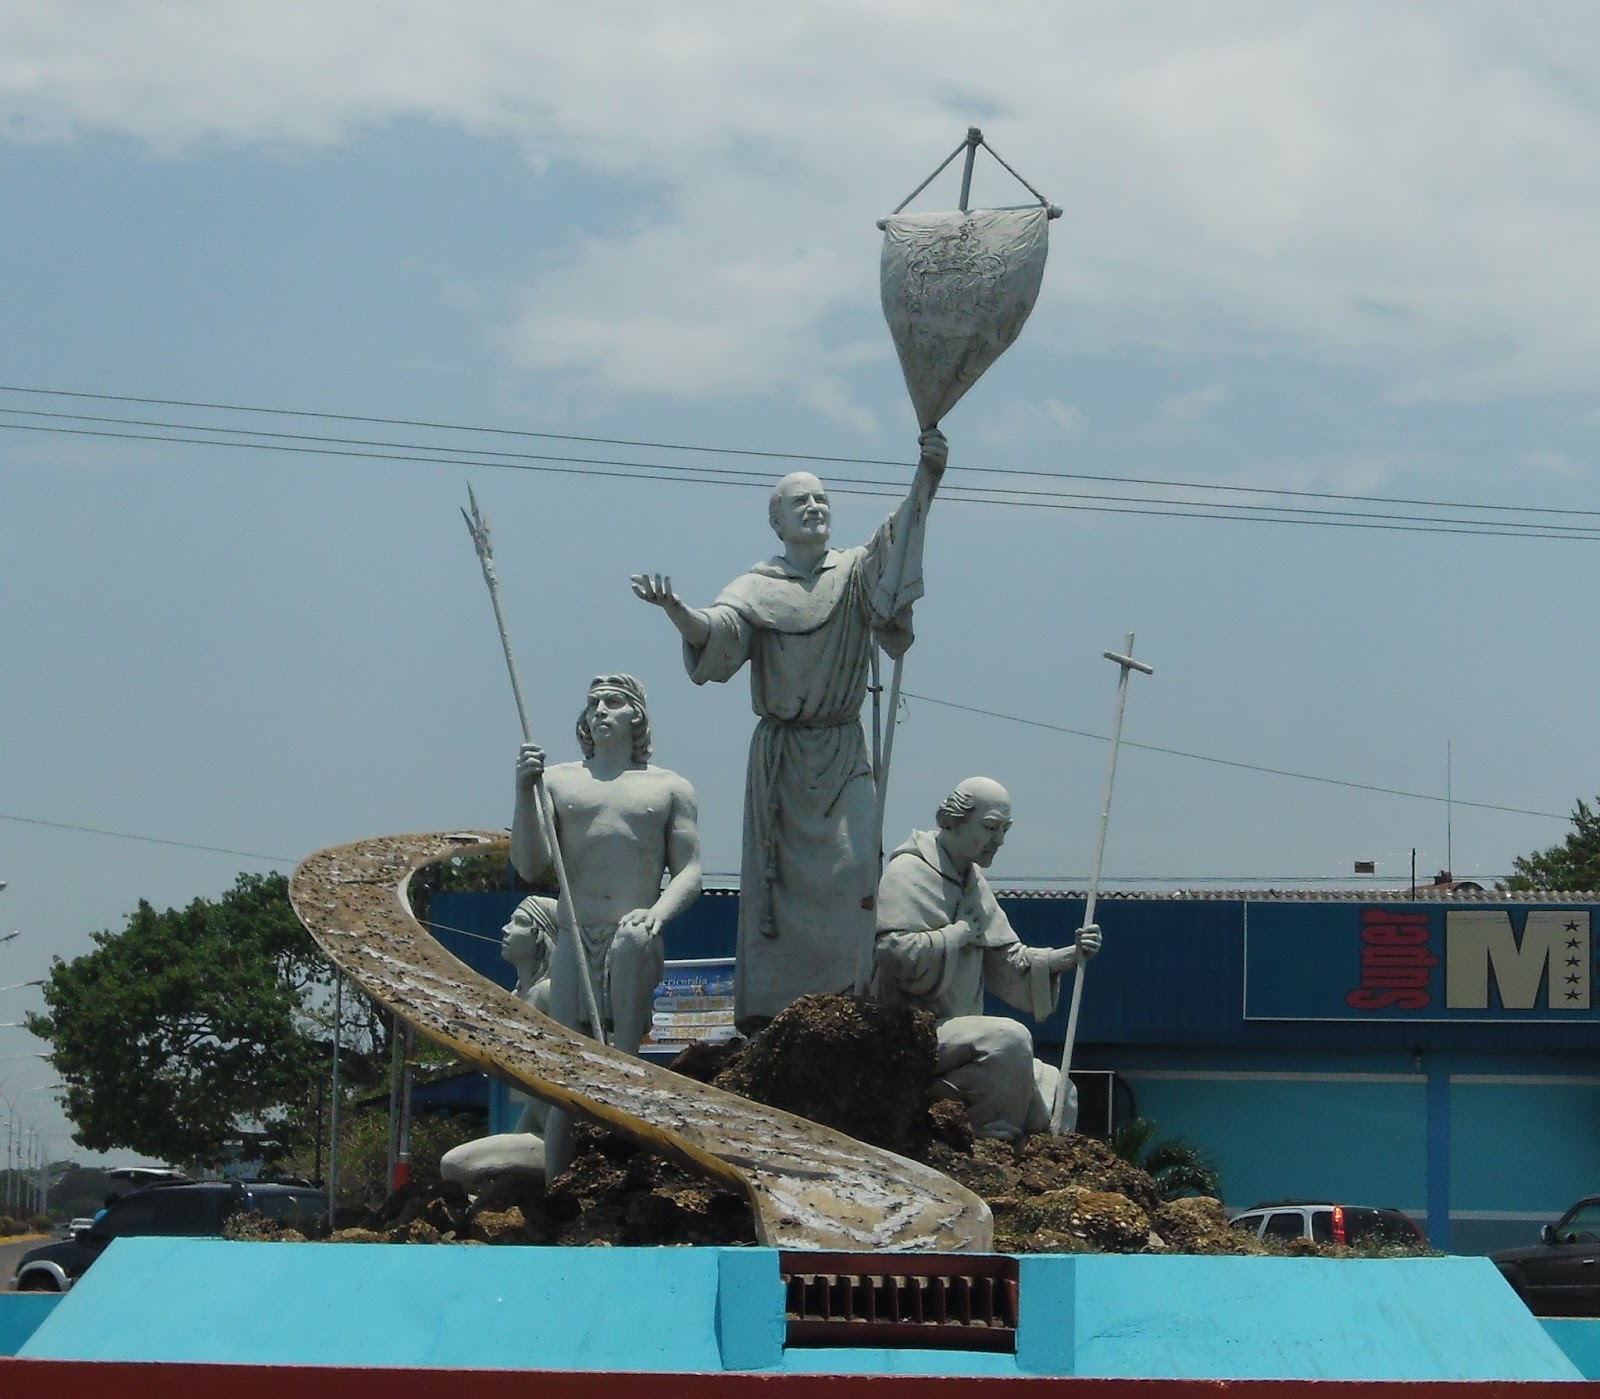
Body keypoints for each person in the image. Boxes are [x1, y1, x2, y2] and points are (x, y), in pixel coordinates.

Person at [631, 430, 947, 1028]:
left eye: (822, 499)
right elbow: (717, 634)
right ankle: (780, 1013)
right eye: (800, 501)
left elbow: (896, 541)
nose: (815, 507)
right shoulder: (756, 587)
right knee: (777, 893)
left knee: (856, 869)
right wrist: (676, 612)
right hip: (783, 760)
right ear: (777, 522)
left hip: (841, 747)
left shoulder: (854, 572)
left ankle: (853, 999)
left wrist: (926, 477)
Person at [509, 673, 701, 1179]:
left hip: (634, 935)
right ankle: (555, 1184)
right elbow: (530, 865)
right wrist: (524, 791)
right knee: (567, 1069)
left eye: (613, 703)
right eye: (593, 703)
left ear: (636, 714)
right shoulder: (559, 781)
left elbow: (691, 871)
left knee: (621, 1052)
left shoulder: (669, 787)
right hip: (576, 934)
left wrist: (658, 913)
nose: (600, 711)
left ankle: (627, 1141)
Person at [873, 776, 1102, 1139]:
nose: (999, 841)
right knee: (1008, 1040)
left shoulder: (972, 882)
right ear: (952, 820)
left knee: (1060, 1091)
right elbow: (895, 956)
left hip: (962, 1038)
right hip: (915, 1036)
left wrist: (1068, 956)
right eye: (991, 827)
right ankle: (993, 1143)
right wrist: (958, 933)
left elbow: (1007, 959)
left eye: (1005, 830)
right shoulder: (908, 872)